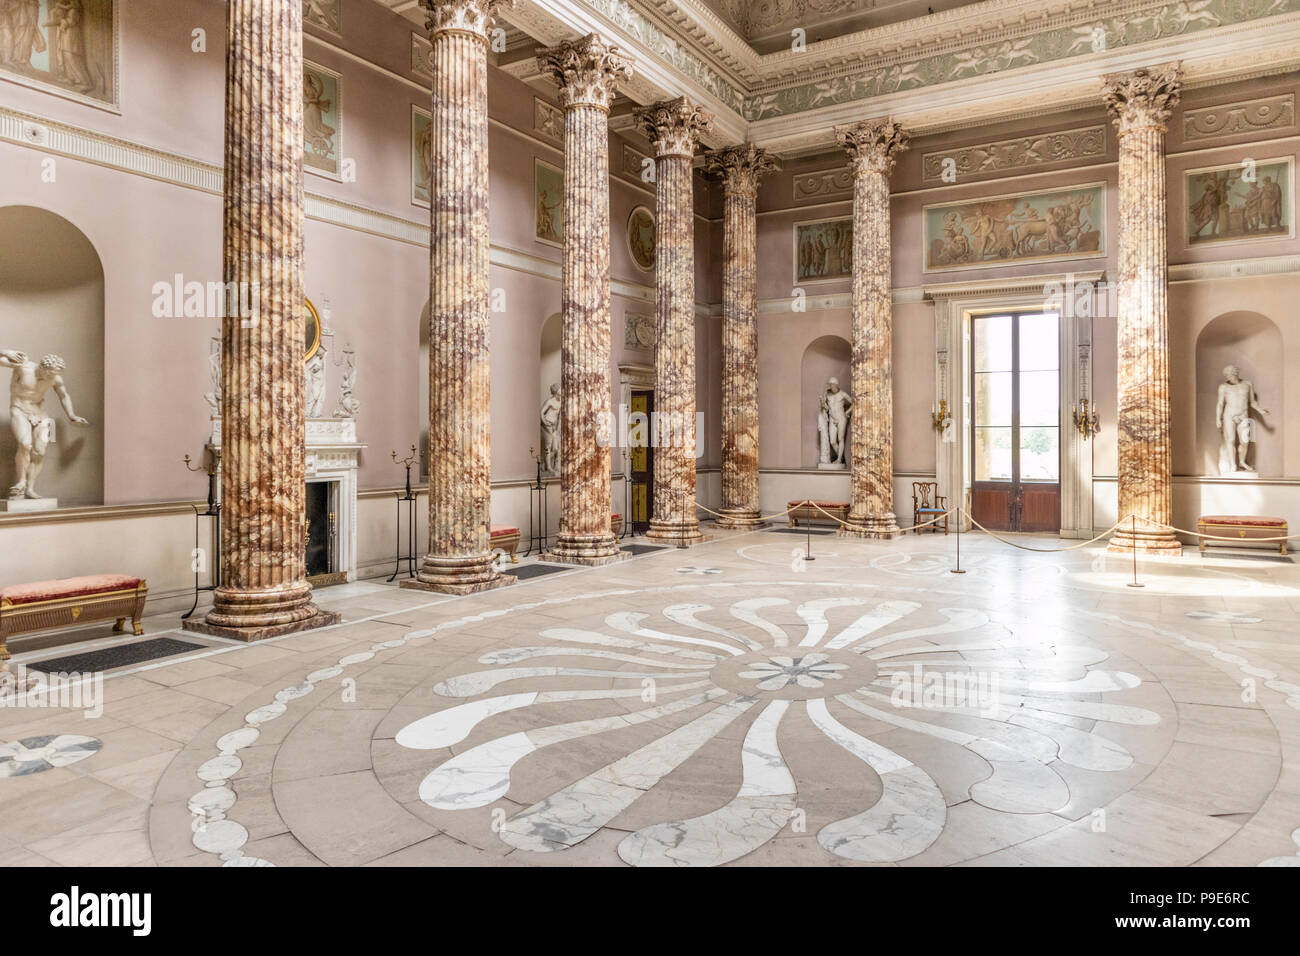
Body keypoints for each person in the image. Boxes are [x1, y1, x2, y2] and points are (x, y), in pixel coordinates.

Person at [1, 350, 90, 499]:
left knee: (40, 451)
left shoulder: (55, 379)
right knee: (25, 444)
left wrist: (72, 415)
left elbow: (64, 395)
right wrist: (5, 351)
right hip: (19, 410)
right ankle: (21, 482)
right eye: (49, 373)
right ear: (41, 367)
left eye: (54, 375)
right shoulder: (23, 366)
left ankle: (30, 488)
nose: (51, 377)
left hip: (41, 415)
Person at [1216, 364, 1269, 473]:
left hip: (1243, 415)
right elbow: (1220, 404)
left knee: (1245, 441)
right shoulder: (1223, 387)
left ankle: (1242, 461)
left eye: (1229, 375)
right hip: (1229, 415)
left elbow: (1252, 402)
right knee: (1230, 440)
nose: (1227, 377)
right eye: (1226, 375)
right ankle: (1233, 465)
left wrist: (1261, 410)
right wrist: (1218, 418)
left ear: (1235, 373)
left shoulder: (1247, 384)